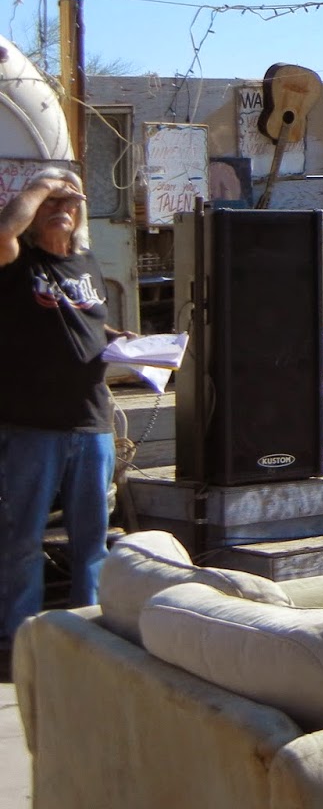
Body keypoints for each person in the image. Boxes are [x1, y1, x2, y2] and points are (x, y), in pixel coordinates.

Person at [0, 167, 122, 675]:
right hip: (32, 426)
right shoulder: (16, 261)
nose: (61, 208)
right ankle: (17, 643)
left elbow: (87, 324)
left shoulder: (86, 263)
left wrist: (129, 344)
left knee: (93, 540)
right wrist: (45, 183)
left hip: (91, 423)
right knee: (22, 538)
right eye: (51, 204)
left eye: (70, 203)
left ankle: (85, 638)